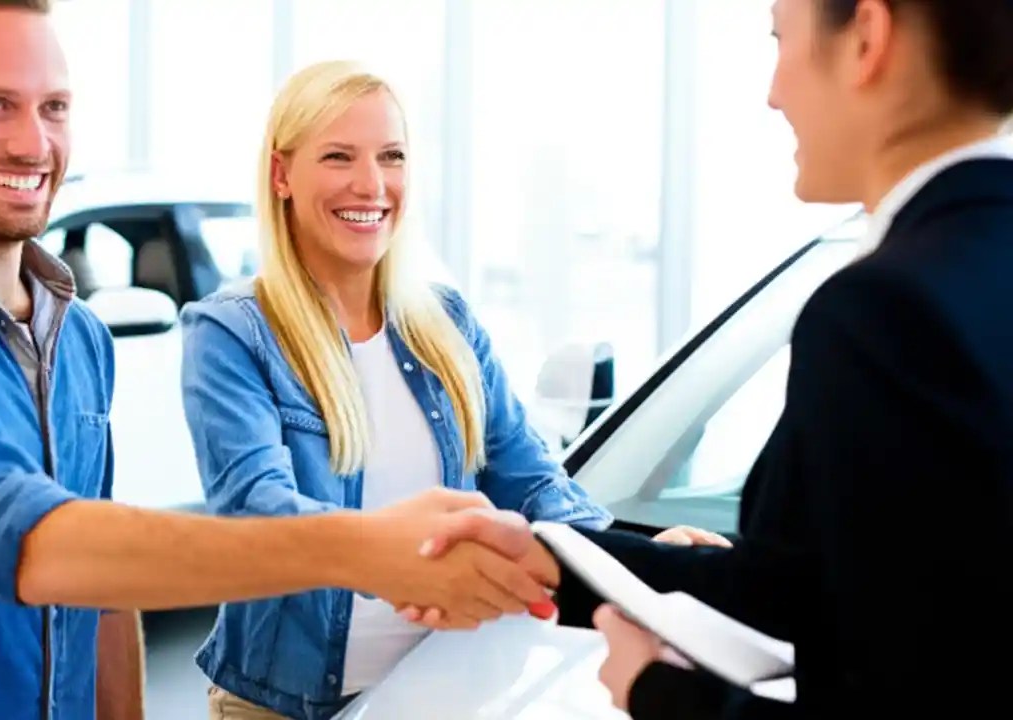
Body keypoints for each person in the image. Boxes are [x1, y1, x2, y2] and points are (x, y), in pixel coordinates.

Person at [0, 3, 559, 719]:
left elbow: (98, 594)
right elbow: (26, 542)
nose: (33, 142)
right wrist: (373, 550)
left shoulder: (79, 338)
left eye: (54, 107)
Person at [412, 0, 1013, 717]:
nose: (773, 92)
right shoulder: (971, 273)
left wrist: (660, 691)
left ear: (867, 38)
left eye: (779, 39)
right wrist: (551, 556)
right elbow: (801, 588)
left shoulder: (882, 310)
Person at [176, 60, 725, 720]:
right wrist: (404, 552)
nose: (372, 183)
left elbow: (532, 483)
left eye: (392, 155)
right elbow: (256, 515)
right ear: (281, 174)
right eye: (338, 156)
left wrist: (631, 561)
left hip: (447, 690)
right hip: (287, 704)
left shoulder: (446, 325)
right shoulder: (233, 333)